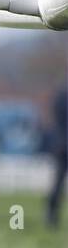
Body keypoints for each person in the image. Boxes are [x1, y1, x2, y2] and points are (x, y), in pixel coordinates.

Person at [46, 86, 67, 228]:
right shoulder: (62, 95)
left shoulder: (61, 94)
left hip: (61, 145)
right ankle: (52, 216)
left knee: (57, 184)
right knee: (58, 184)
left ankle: (51, 216)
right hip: (63, 146)